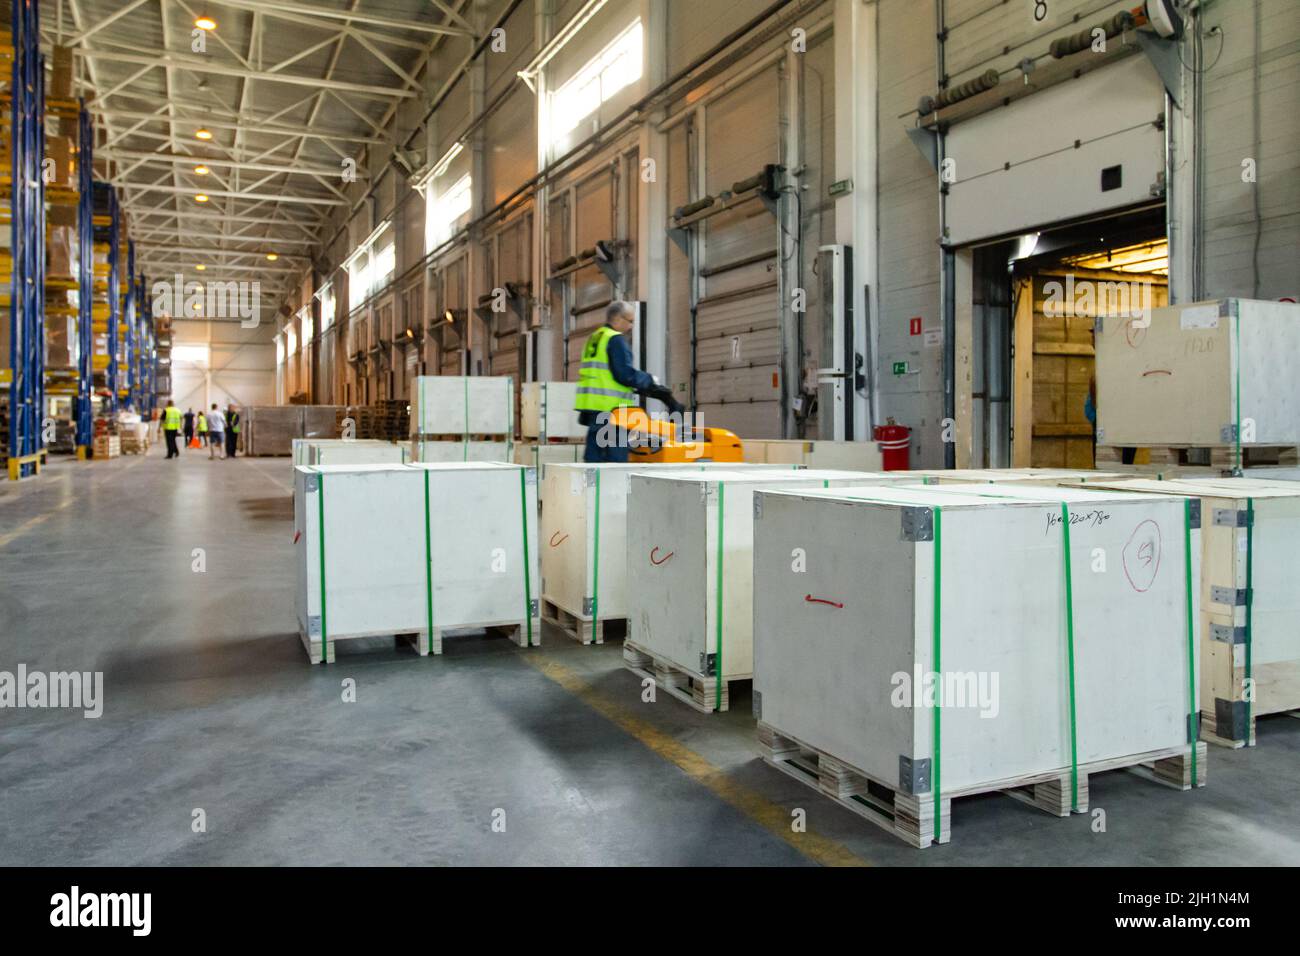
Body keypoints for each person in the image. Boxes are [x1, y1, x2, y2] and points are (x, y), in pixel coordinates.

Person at [574, 301, 680, 463]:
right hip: (612, 412)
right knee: (615, 463)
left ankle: (592, 488)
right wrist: (650, 381)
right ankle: (612, 489)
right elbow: (624, 374)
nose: (631, 326)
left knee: (593, 461)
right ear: (617, 319)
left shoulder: (594, 338)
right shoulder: (615, 340)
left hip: (593, 410)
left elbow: (605, 375)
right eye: (630, 321)